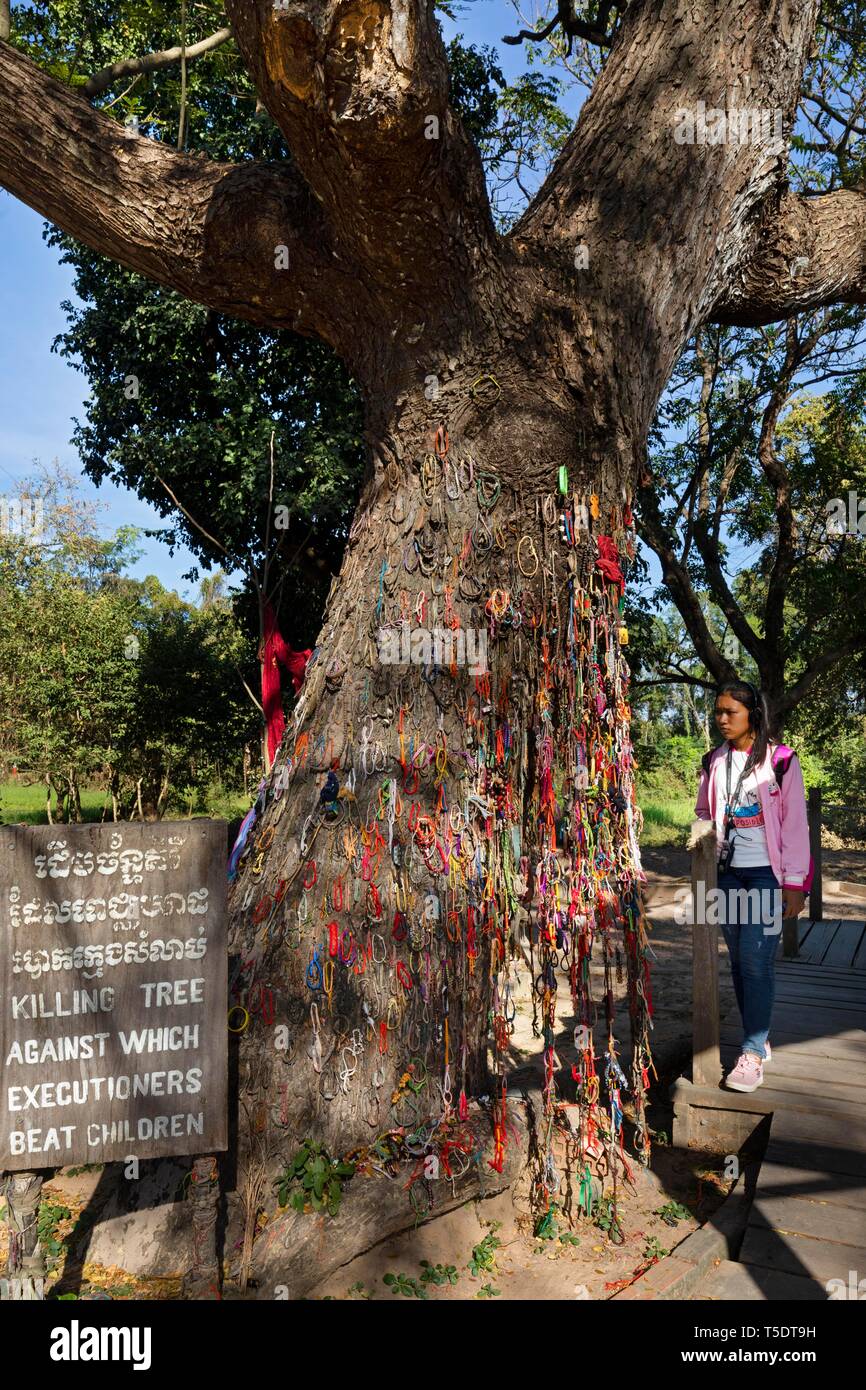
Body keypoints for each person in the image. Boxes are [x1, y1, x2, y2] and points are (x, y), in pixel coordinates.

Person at [695, 679, 812, 1093]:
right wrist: (703, 834)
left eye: (731, 712)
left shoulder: (781, 760)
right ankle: (759, 1037)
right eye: (718, 711)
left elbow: (796, 826)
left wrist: (795, 884)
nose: (721, 719)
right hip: (727, 876)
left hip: (767, 875)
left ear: (753, 716)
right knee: (739, 962)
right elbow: (703, 811)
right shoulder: (713, 761)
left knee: (756, 961)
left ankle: (751, 1054)